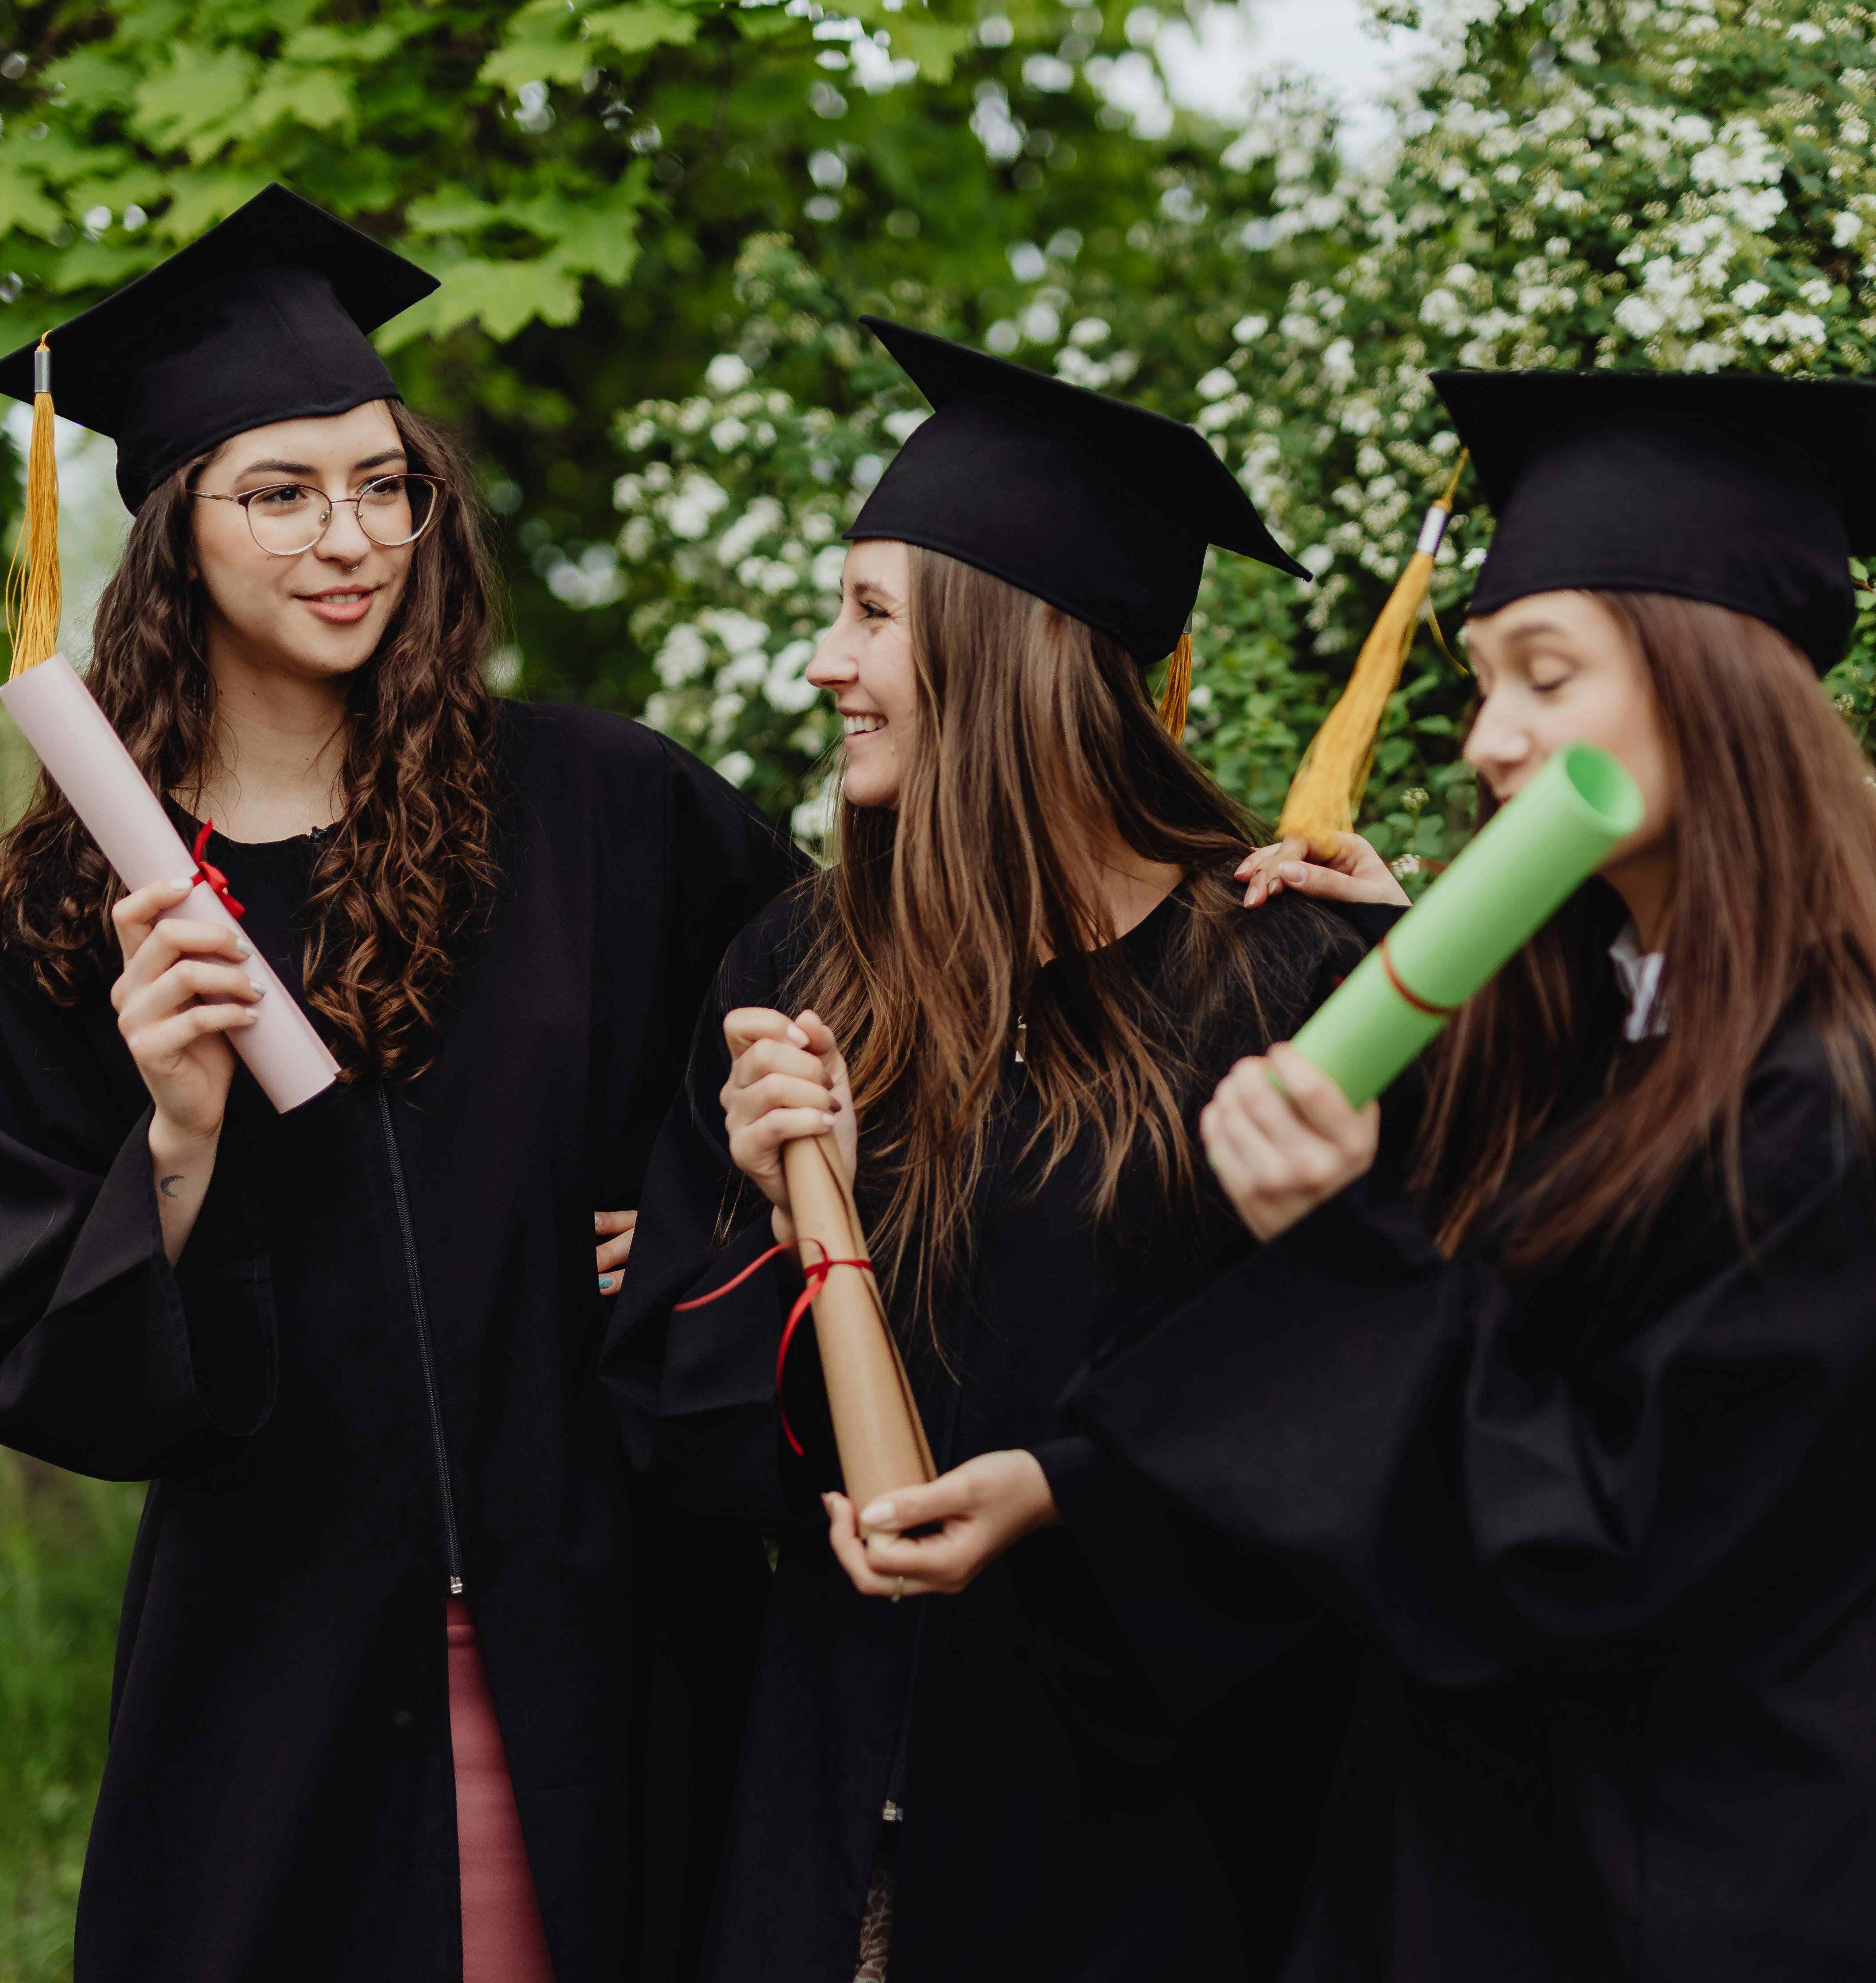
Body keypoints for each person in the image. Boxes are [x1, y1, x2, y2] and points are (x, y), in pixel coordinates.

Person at [855, 369, 1876, 1979]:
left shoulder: (1834, 1115)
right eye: (1483, 683)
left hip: (1708, 1903)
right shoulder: (1608, 1034)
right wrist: (1080, 1482)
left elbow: (1597, 1544)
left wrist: (1338, 1244)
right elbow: (1466, 1377)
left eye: (1545, 677)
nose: (1488, 739)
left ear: (1716, 695)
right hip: (1502, 1870)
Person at [0, 187, 802, 1982]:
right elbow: (37, 1357)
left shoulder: (594, 812)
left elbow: (850, 1020)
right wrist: (177, 1131)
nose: (352, 538)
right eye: (281, 493)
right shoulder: (69, 918)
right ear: (175, 533)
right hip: (276, 1679)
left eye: (385, 482)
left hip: (603, 1632)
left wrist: (707, 1216)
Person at [605, 319, 1369, 1983]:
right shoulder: (798, 969)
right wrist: (764, 1201)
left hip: (1149, 1840)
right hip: (828, 1822)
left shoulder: (1280, 978)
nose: (827, 662)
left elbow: (1354, 1397)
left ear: (1015, 646)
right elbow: (677, 1424)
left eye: (872, 613)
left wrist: (1072, 1501)